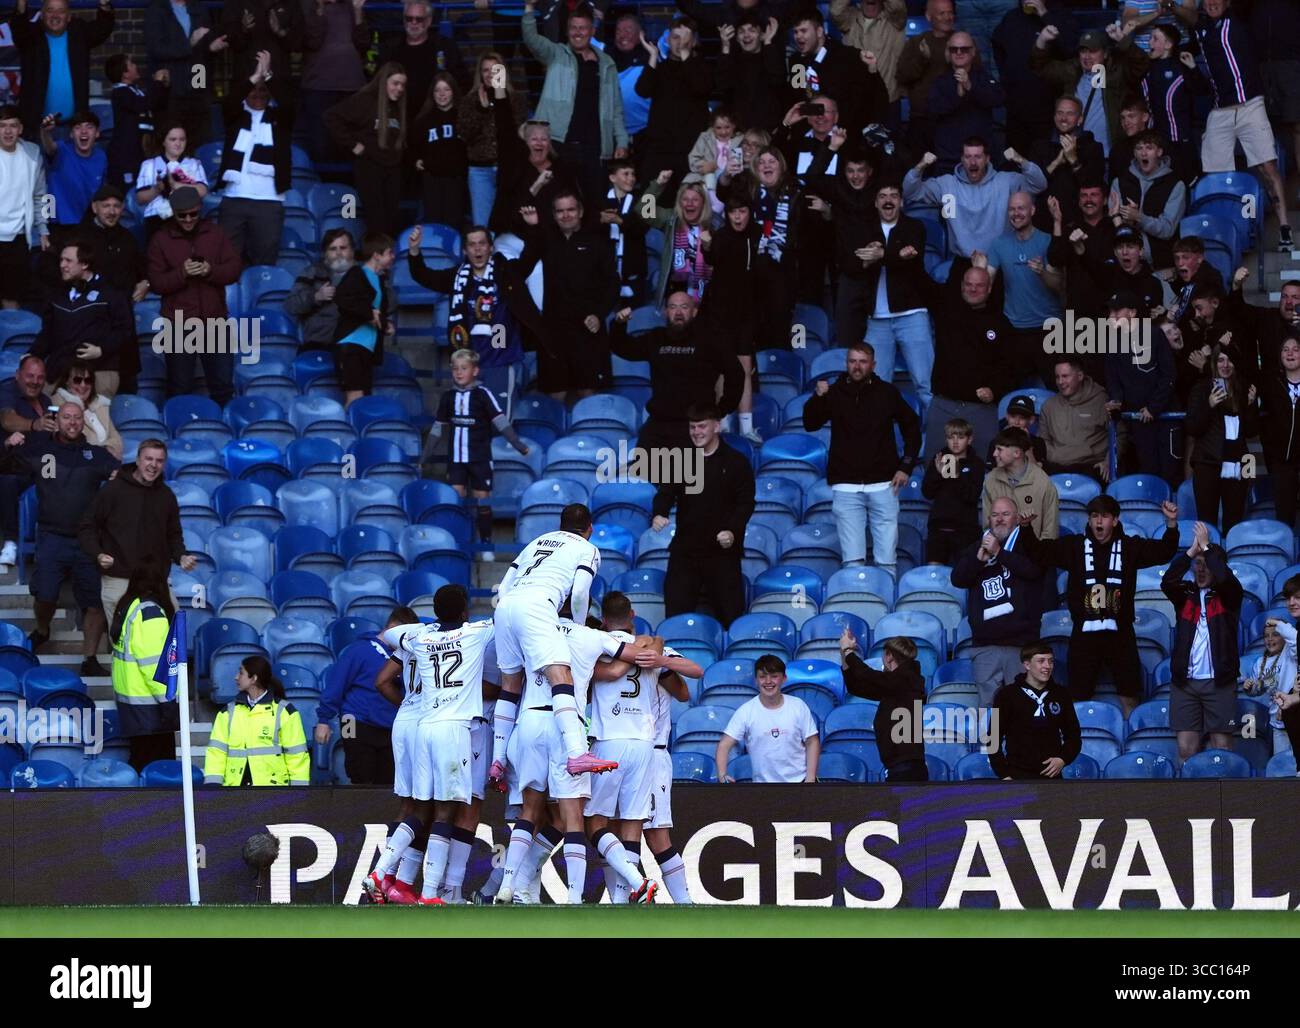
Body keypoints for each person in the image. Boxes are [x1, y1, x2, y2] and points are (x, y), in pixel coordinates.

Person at [376, 592, 495, 905]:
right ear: (466, 610)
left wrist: (422, 630)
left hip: (423, 727)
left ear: (434, 614)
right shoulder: (475, 633)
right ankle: (429, 892)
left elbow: (388, 635)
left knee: (420, 808)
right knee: (444, 812)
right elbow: (508, 623)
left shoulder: (420, 639)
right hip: (453, 729)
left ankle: (382, 874)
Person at [489, 502, 615, 788]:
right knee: (561, 675)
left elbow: (505, 586)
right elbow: (581, 591)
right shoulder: (587, 549)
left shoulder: (536, 541)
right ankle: (576, 753)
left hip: (505, 606)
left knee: (511, 683)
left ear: (561, 525)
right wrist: (579, 628)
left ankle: (498, 760)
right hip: (538, 605)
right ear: (590, 529)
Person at [1033, 493, 1179, 716]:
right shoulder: (1074, 546)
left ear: (1115, 520)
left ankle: (1130, 741)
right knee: (1077, 698)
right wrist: (1025, 528)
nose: (1099, 522)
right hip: (1084, 634)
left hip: (1120, 634)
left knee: (1129, 696)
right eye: (1094, 516)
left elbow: (1164, 552)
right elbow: (1039, 553)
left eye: (1104, 516)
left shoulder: (1129, 547)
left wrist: (1170, 523)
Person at [597, 591, 700, 904]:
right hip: (646, 747)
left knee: (644, 832)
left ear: (603, 621)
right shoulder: (655, 647)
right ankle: (627, 896)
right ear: (633, 616)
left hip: (629, 747)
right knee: (627, 828)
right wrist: (660, 663)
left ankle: (681, 901)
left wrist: (661, 662)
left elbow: (682, 689)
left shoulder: (598, 649)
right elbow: (684, 692)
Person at [1, 400, 117, 667]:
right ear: (58, 420)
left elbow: (120, 475)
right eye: (67, 417)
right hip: (52, 536)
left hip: (88, 540)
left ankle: (89, 657)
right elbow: (6, 468)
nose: (73, 423)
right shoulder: (39, 449)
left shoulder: (95, 454)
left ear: (83, 421)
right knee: (45, 594)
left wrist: (116, 477)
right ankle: (43, 629)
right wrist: (7, 446)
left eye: (77, 418)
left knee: (93, 601)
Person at [1172, 0, 1292, 251]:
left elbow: (1194, 15)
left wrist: (1170, 5)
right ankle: (1224, 231)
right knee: (1215, 177)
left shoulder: (1238, 21)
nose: (1213, 2)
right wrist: (1171, 6)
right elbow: (1191, 17)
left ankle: (1284, 228)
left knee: (1268, 167)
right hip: (1219, 111)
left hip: (1250, 105)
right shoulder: (1201, 29)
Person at [803, 342, 921, 578]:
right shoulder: (834, 392)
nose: (857, 366)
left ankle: (885, 605)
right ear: (847, 363)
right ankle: (856, 603)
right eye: (852, 361)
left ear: (873, 364)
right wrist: (817, 397)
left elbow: (913, 428)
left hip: (884, 483)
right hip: (845, 484)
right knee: (852, 561)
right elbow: (810, 423)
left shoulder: (887, 392)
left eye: (862, 361)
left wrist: (906, 466)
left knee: (887, 562)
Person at [406, 216, 543, 411]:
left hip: (499, 360)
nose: (477, 249)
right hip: (469, 361)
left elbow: (531, 257)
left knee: (500, 420)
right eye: (472, 245)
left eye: (482, 244)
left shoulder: (507, 272)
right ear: (465, 251)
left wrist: (534, 228)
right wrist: (414, 250)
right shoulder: (456, 277)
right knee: (470, 421)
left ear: (491, 248)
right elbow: (424, 275)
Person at [651, 403, 754, 626]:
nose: (696, 432)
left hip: (723, 553)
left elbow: (745, 503)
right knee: (675, 616)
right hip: (685, 551)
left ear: (716, 426)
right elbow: (666, 491)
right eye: (692, 427)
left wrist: (733, 531)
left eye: (701, 426)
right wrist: (659, 513)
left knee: (731, 617)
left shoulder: (736, 462)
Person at [523, 0, 629, 216]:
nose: (577, 33)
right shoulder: (557, 54)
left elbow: (616, 107)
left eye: (582, 28)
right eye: (573, 28)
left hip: (595, 146)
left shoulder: (607, 62)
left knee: (594, 208)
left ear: (592, 31)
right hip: (560, 144)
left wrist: (622, 140)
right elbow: (532, 40)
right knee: (556, 205)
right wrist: (528, 9)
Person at [78, 437, 195, 630]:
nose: (153, 465)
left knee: (172, 634)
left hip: (156, 581)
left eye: (159, 461)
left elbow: (173, 534)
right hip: (119, 578)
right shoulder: (113, 490)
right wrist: (97, 554)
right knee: (123, 642)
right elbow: (87, 527)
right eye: (149, 459)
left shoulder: (166, 496)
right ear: (138, 460)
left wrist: (181, 555)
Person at [610, 293, 744, 454]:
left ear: (694, 311)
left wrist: (722, 409)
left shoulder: (710, 340)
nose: (678, 312)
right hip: (658, 424)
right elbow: (624, 349)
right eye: (673, 307)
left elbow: (736, 373)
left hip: (695, 426)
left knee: (689, 477)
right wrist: (618, 325)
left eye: (684, 307)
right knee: (642, 475)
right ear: (666, 312)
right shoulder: (656, 338)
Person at [427, 348, 530, 554]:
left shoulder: (483, 394)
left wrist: (518, 445)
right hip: (456, 459)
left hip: (480, 457)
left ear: (475, 371)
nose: (458, 372)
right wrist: (425, 456)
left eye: (463, 368)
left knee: (483, 499)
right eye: (455, 368)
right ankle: (460, 541)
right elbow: (438, 427)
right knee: (457, 498)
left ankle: (485, 543)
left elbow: (500, 421)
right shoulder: (448, 396)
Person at [145, 185, 241, 405]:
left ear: (200, 209)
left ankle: (225, 434)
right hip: (178, 324)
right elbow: (157, 283)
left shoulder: (216, 233)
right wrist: (182, 273)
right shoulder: (160, 239)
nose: (188, 219)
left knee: (223, 386)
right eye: (182, 215)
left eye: (193, 214)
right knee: (180, 387)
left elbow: (234, 268)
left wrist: (210, 271)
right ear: (173, 213)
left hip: (215, 319)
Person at [522, 189, 618, 402]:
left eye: (571, 210)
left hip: (588, 329)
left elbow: (612, 285)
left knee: (588, 394)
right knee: (555, 396)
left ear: (581, 212)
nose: (566, 215)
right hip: (553, 331)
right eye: (560, 211)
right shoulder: (545, 239)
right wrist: (533, 229)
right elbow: (522, 267)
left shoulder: (599, 242)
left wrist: (599, 314)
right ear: (554, 214)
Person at [849, 178, 934, 415]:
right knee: (874, 387)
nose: (888, 200)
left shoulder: (914, 227)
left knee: (925, 384)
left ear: (902, 202)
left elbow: (912, 260)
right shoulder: (864, 228)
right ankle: (879, 447)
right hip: (877, 320)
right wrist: (891, 256)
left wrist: (879, 255)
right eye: (883, 196)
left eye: (894, 195)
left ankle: (936, 445)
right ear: (875, 202)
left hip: (912, 315)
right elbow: (850, 264)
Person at [952, 496, 1046, 706]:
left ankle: (1017, 741)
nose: (1000, 519)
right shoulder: (978, 546)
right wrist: (977, 561)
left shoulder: (1027, 544)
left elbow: (1034, 571)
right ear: (988, 519)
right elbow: (958, 578)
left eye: (1005, 514)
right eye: (995, 515)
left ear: (1016, 518)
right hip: (986, 646)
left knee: (1022, 707)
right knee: (988, 709)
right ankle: (990, 741)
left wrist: (999, 553)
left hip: (1021, 646)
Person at [1161, 523, 1242, 760]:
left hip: (1220, 681)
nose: (1202, 570)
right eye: (1198, 565)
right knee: (1186, 750)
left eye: (1207, 565)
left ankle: (1227, 798)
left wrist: (1206, 547)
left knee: (1222, 749)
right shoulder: (1185, 594)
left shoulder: (1230, 595)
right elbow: (1167, 581)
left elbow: (1226, 578)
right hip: (1185, 683)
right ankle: (1190, 798)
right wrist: (1190, 553)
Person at [315, 606, 420, 786]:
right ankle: (360, 815)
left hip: (389, 725)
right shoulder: (358, 650)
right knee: (360, 776)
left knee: (388, 781)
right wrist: (324, 720)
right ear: (393, 628)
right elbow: (336, 684)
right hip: (354, 721)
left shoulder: (404, 655)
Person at [903, 139, 1047, 263]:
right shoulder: (946, 185)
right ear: (961, 159)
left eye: (978, 156)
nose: (972, 162)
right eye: (968, 156)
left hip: (999, 261)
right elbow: (910, 193)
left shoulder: (1006, 181)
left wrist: (1020, 160)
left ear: (987, 159)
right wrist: (920, 166)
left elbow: (1039, 185)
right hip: (962, 261)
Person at [214, 49, 293, 268]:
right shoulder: (235, 116)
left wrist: (267, 75)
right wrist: (254, 77)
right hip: (234, 198)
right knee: (226, 262)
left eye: (263, 90)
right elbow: (229, 101)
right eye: (253, 90)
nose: (258, 94)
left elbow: (288, 103)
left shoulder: (280, 118)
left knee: (265, 262)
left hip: (269, 201)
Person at [1029, 22, 1149, 160]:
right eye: (1083, 51)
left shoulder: (1116, 73)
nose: (1087, 56)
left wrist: (1123, 40)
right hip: (1074, 154)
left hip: (1108, 156)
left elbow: (1142, 64)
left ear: (1105, 54)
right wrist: (1042, 40)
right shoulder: (1072, 70)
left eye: (1093, 51)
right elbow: (1040, 67)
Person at [928, 265, 1013, 458]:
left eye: (979, 285)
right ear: (961, 285)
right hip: (944, 405)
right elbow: (923, 285)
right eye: (969, 284)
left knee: (984, 471)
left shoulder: (1000, 323)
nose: (973, 289)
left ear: (989, 288)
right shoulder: (945, 311)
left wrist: (994, 390)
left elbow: (1009, 366)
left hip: (981, 410)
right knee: (938, 471)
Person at [31, 237, 131, 396]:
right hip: (61, 369)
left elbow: (125, 330)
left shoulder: (111, 293)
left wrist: (102, 350)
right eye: (61, 260)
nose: (62, 265)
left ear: (84, 264)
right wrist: (32, 354)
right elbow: (48, 332)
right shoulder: (57, 294)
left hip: (99, 370)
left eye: (68, 261)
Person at [984, 191, 1064, 386]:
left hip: (1048, 329)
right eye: (1011, 209)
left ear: (1033, 210)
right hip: (1014, 329)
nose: (1016, 213)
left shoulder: (1046, 241)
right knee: (1008, 390)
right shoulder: (999, 244)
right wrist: (979, 269)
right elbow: (985, 286)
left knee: (1058, 389)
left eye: (1021, 208)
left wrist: (1042, 272)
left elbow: (1059, 287)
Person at [6, 0, 115, 140]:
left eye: (61, 11)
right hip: (36, 127)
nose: (55, 15)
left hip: (73, 128)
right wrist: (21, 4)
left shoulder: (79, 33)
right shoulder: (31, 36)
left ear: (69, 17)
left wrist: (104, 4)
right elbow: (18, 28)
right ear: (42, 15)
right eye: (50, 10)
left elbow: (102, 28)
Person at [107, 559, 177, 772]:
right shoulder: (151, 613)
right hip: (150, 705)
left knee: (140, 765)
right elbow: (154, 665)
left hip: (131, 701)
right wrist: (168, 701)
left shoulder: (129, 606)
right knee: (158, 773)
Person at [1104, 294, 1180, 487]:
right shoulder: (1112, 342)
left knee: (1170, 474)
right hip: (1138, 420)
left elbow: (1168, 375)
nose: (1111, 317)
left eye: (1116, 311)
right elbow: (1113, 380)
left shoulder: (1154, 334)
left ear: (1132, 312)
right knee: (1148, 472)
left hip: (1165, 416)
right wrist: (1116, 401)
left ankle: (1173, 516)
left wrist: (1154, 407)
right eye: (1110, 312)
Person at [325, 64, 408, 239]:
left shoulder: (397, 106)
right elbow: (331, 117)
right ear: (383, 81)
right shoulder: (365, 100)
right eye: (395, 83)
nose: (399, 89)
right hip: (370, 167)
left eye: (402, 85)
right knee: (376, 220)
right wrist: (353, 144)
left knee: (392, 219)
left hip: (393, 168)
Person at [1185, 343, 1259, 534]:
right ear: (1213, 363)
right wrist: (1208, 405)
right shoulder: (1201, 388)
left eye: (1230, 360)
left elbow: (1251, 432)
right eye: (1220, 360)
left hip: (1238, 464)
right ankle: (1208, 561)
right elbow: (1193, 427)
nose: (1225, 365)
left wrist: (1251, 406)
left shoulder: (1242, 388)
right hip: (1208, 462)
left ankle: (1231, 563)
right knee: (1207, 523)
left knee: (1234, 522)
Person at [991, 0, 1081, 155]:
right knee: (1015, 161)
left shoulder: (1060, 14)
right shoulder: (1012, 17)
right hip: (1016, 106)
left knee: (1044, 161)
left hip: (1048, 107)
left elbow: (1072, 48)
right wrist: (1006, 78)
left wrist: (1044, 14)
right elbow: (997, 45)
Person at [203, 656, 310, 786]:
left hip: (273, 792)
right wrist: (213, 784)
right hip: (235, 790)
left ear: (254, 679)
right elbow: (216, 752)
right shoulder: (227, 712)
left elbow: (296, 755)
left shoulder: (284, 711)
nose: (236, 677)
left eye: (241, 672)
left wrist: (299, 792)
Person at [635, 17, 713, 190]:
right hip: (660, 149)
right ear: (668, 40)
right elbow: (642, 90)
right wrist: (653, 57)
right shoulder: (660, 68)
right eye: (676, 37)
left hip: (692, 150)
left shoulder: (702, 67)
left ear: (694, 41)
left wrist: (686, 54)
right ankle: (648, 217)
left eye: (685, 38)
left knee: (691, 199)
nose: (680, 43)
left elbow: (701, 87)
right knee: (650, 198)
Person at [715, 654, 820, 783]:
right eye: (762, 677)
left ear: (784, 678)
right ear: (756, 680)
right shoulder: (746, 711)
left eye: (774, 676)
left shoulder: (798, 706)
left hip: (800, 783)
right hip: (762, 789)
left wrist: (810, 779)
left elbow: (812, 741)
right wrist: (722, 775)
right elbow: (724, 744)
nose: (768, 681)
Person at [839, 631, 927, 781]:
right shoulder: (896, 686)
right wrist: (844, 655)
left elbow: (869, 675)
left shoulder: (908, 678)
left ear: (889, 656)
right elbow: (856, 687)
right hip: (897, 766)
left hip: (907, 766)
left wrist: (849, 651)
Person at [784, 6, 883, 137]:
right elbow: (798, 98)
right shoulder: (797, 62)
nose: (798, 36)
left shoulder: (847, 56)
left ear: (819, 31)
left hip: (843, 136)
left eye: (803, 31)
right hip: (808, 136)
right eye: (795, 32)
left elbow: (866, 100)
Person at [988, 642, 1081, 780]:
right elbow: (992, 738)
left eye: (1050, 661)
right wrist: (1004, 774)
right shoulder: (1005, 695)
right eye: (1041, 661)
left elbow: (1074, 736)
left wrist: (1062, 759)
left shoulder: (1061, 694)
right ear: (1027, 665)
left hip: (1052, 778)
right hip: (1016, 777)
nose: (1047, 666)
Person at [459, 52, 527, 229]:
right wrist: (481, 111)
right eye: (485, 70)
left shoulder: (516, 100)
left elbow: (517, 135)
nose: (490, 74)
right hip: (480, 170)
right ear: (480, 74)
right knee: (482, 224)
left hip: (509, 170)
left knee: (511, 222)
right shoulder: (469, 100)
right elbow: (465, 134)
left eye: (495, 69)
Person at [143, 0, 223, 150]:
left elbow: (203, 50)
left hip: (197, 80)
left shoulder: (199, 7)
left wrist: (211, 48)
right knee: (173, 139)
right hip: (171, 87)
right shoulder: (157, 10)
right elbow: (157, 49)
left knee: (200, 137)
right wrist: (189, 43)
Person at [299, 0, 369, 164]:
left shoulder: (353, 5)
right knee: (320, 146)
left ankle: (346, 189)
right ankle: (324, 188)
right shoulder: (308, 5)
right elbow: (311, 41)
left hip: (351, 85)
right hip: (318, 86)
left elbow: (364, 43)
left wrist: (358, 12)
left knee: (349, 147)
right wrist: (320, 9)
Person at [927, 32, 1005, 176]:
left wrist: (970, 86)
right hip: (948, 159)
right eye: (954, 49)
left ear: (973, 51)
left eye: (964, 49)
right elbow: (934, 108)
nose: (959, 52)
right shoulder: (940, 81)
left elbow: (998, 99)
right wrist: (958, 95)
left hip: (980, 159)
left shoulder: (984, 78)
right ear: (948, 53)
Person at [332, 231, 395, 407]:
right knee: (355, 396)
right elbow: (343, 299)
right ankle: (349, 434)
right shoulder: (357, 273)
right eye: (389, 253)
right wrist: (369, 313)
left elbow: (373, 311)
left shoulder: (379, 280)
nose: (392, 257)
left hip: (366, 347)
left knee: (363, 396)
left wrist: (385, 324)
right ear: (377, 255)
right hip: (351, 344)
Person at [1109, 129, 1186, 272]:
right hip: (1124, 264)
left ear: (1159, 152)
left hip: (1160, 265)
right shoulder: (1119, 182)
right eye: (1139, 148)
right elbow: (1114, 223)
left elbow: (1167, 229)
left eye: (1149, 148)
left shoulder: (1175, 185)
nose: (1143, 153)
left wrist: (1139, 217)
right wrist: (1125, 221)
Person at [0, 106, 51, 310]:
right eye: (2, 126)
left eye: (13, 126)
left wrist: (44, 229)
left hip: (18, 238)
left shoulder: (32, 153)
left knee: (12, 296)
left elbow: (43, 195)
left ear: (20, 129)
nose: (8, 131)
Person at [380, 0, 467, 111]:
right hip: (401, 113)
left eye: (419, 19)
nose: (413, 22)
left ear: (429, 21)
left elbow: (461, 79)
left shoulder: (444, 46)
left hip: (436, 114)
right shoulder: (392, 48)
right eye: (409, 18)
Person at [921, 418, 984, 566]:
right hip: (938, 528)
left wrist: (955, 475)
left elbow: (971, 496)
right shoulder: (938, 460)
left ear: (969, 440)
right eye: (951, 437)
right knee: (933, 574)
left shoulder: (976, 464)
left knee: (965, 574)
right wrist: (937, 473)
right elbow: (927, 493)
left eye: (960, 437)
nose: (955, 442)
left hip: (965, 530)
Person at [896, 0, 956, 152]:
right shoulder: (917, 43)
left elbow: (976, 75)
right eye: (942, 13)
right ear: (929, 17)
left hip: (954, 119)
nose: (948, 17)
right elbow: (903, 76)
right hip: (921, 119)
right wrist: (922, 59)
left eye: (950, 12)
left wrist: (954, 63)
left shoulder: (961, 42)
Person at [829, 0, 906, 118]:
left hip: (888, 100)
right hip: (855, 101)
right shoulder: (849, 18)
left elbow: (897, 6)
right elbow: (836, 10)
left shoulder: (894, 19)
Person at [284, 229, 357, 350]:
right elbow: (291, 304)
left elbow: (389, 302)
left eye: (343, 248)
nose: (339, 253)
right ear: (325, 253)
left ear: (352, 251)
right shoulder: (313, 272)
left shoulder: (366, 273)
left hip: (355, 343)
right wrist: (316, 297)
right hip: (320, 342)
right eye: (333, 249)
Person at [103, 54, 168, 190]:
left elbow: (156, 105)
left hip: (143, 150)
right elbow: (143, 105)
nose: (135, 66)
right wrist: (157, 83)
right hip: (127, 154)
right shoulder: (120, 93)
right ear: (125, 73)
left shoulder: (136, 91)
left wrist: (164, 86)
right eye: (131, 64)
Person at [133, 121, 209, 238]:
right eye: (173, 139)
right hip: (157, 218)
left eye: (182, 139)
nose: (178, 143)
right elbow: (139, 198)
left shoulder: (194, 163)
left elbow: (202, 191)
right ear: (163, 141)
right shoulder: (149, 164)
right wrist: (157, 189)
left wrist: (176, 185)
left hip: (187, 217)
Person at [1040, 358, 1111, 480]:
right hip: (1056, 466)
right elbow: (1042, 441)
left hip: (1090, 466)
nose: (1060, 382)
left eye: (1065, 376)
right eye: (1057, 377)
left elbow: (1118, 435)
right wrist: (1054, 456)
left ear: (1080, 376)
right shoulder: (1049, 406)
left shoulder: (1101, 401)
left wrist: (1108, 461)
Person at [715, 12, 786, 134]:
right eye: (741, 32)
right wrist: (725, 46)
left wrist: (768, 42)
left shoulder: (771, 56)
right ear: (736, 37)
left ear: (761, 35)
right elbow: (722, 85)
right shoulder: (733, 61)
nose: (746, 35)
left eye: (752, 30)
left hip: (768, 133)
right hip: (739, 134)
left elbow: (778, 80)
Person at [982, 427, 1059, 539]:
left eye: (999, 449)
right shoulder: (990, 480)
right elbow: (987, 527)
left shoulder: (1043, 482)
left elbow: (1050, 532)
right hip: (1000, 553)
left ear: (1017, 453)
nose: (994, 454)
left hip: (1034, 554)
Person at [412, 73, 468, 227]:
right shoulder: (423, 119)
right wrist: (416, 159)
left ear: (453, 92)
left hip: (455, 180)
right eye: (438, 90)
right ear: (432, 94)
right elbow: (413, 146)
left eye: (446, 89)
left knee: (454, 222)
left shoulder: (463, 117)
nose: (442, 94)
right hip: (432, 179)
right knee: (433, 221)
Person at [39, 110, 106, 231]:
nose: (84, 131)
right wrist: (45, 131)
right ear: (71, 134)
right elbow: (49, 147)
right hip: (56, 223)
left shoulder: (101, 157)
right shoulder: (62, 149)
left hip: (87, 224)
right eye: (78, 127)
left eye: (89, 127)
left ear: (97, 133)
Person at [1259, 334, 1300, 529]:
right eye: (1285, 349)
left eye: (1295, 349)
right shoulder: (1271, 384)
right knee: (1285, 516)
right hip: (1282, 462)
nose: (1290, 353)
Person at [1245, 616, 1296, 757]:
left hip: (1295, 718)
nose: (1270, 639)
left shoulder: (1290, 654)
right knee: (1282, 769)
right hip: (1277, 724)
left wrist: (1278, 623)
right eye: (1266, 636)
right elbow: (1258, 689)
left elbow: (1294, 638)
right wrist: (1250, 689)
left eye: (1275, 634)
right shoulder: (1260, 662)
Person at [50, 361, 123, 459]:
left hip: (106, 462)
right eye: (77, 380)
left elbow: (116, 440)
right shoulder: (58, 405)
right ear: (67, 381)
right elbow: (70, 441)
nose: (83, 385)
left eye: (88, 380)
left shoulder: (101, 405)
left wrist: (106, 450)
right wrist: (101, 452)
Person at [218, 0, 302, 83]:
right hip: (246, 77)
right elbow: (229, 41)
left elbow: (297, 44)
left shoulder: (290, 3)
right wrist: (244, 29)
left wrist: (280, 32)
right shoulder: (236, 3)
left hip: (280, 79)